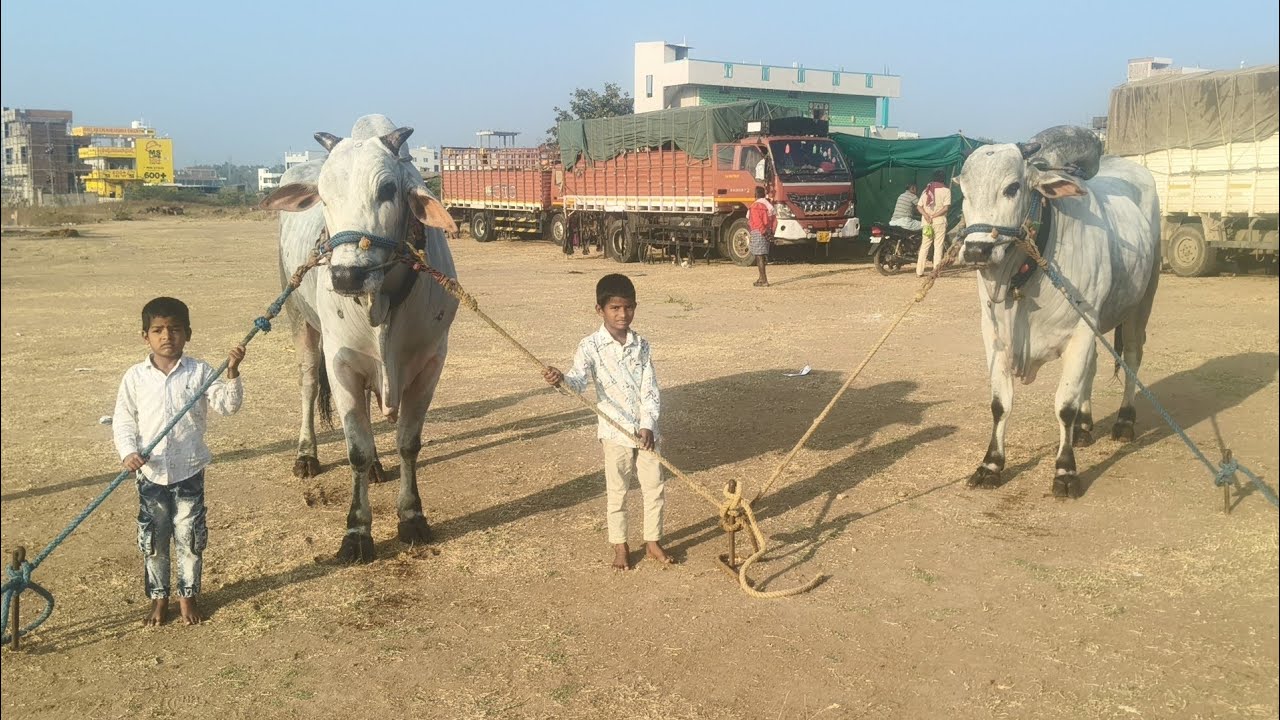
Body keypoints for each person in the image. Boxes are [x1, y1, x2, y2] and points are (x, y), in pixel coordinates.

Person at [113, 297, 246, 626]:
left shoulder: (200, 371)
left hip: (188, 471)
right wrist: (128, 451)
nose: (166, 336)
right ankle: (159, 600)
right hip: (150, 473)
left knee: (190, 537)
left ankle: (188, 597)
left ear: (188, 333)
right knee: (154, 540)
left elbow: (227, 407)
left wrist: (232, 372)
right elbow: (123, 420)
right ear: (145, 336)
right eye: (157, 330)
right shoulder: (135, 377)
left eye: (174, 329)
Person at [542, 274, 671, 571]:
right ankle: (620, 546)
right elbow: (576, 381)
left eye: (628, 308)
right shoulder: (590, 346)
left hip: (647, 432)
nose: (622, 315)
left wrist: (648, 423)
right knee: (618, 490)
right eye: (614, 308)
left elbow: (649, 388)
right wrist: (560, 380)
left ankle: (652, 541)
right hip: (614, 432)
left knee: (654, 487)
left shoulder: (642, 345)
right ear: (599, 310)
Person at [916, 171, 952, 277]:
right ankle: (936, 271)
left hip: (927, 223)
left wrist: (927, 216)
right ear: (943, 179)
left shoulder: (926, 190)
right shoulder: (946, 191)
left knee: (924, 246)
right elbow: (946, 208)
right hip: (939, 222)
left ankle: (919, 271)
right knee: (938, 246)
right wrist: (934, 216)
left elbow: (919, 206)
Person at [747, 186, 776, 287]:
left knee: (759, 256)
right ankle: (761, 278)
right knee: (762, 256)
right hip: (767, 231)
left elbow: (757, 221)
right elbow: (774, 220)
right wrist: (771, 232)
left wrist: (763, 232)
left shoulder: (755, 206)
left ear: (755, 195)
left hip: (758, 232)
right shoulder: (769, 205)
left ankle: (764, 280)